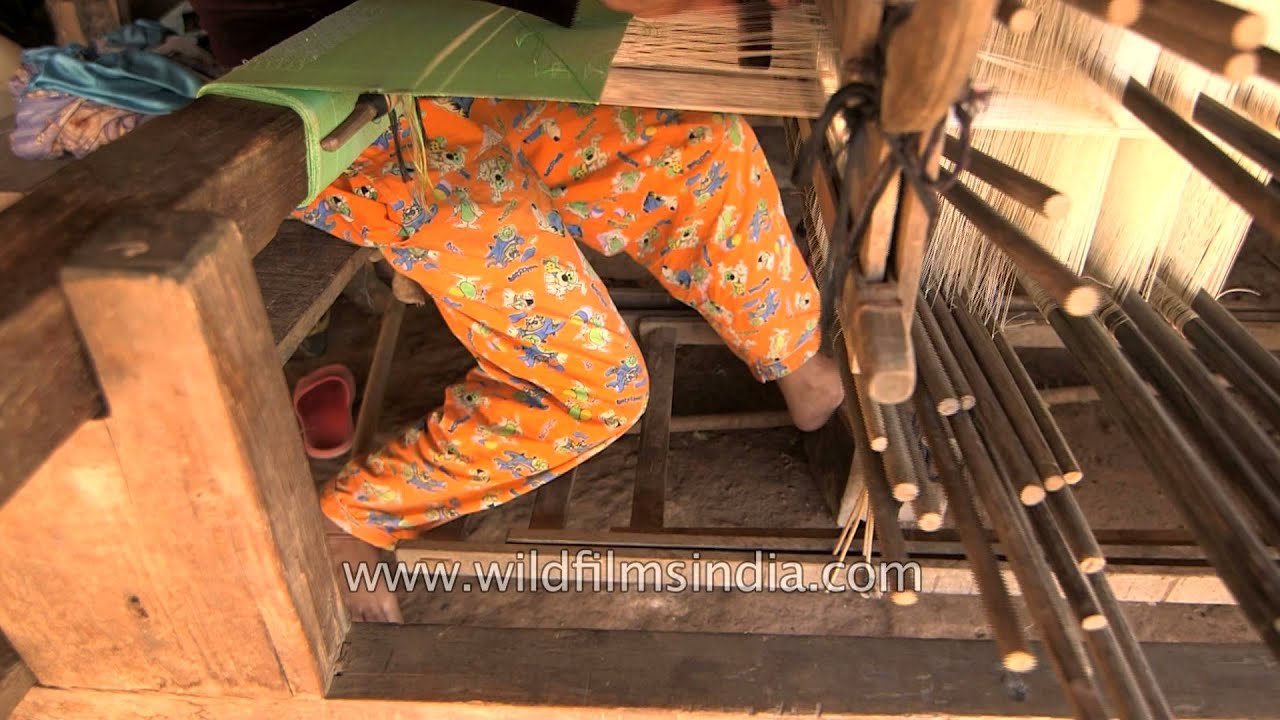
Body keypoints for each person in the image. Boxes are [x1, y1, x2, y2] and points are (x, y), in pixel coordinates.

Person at [191, 0, 844, 623]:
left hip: (447, 60)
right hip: (340, 108)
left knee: (698, 145)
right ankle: (356, 517)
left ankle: (790, 355)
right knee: (596, 388)